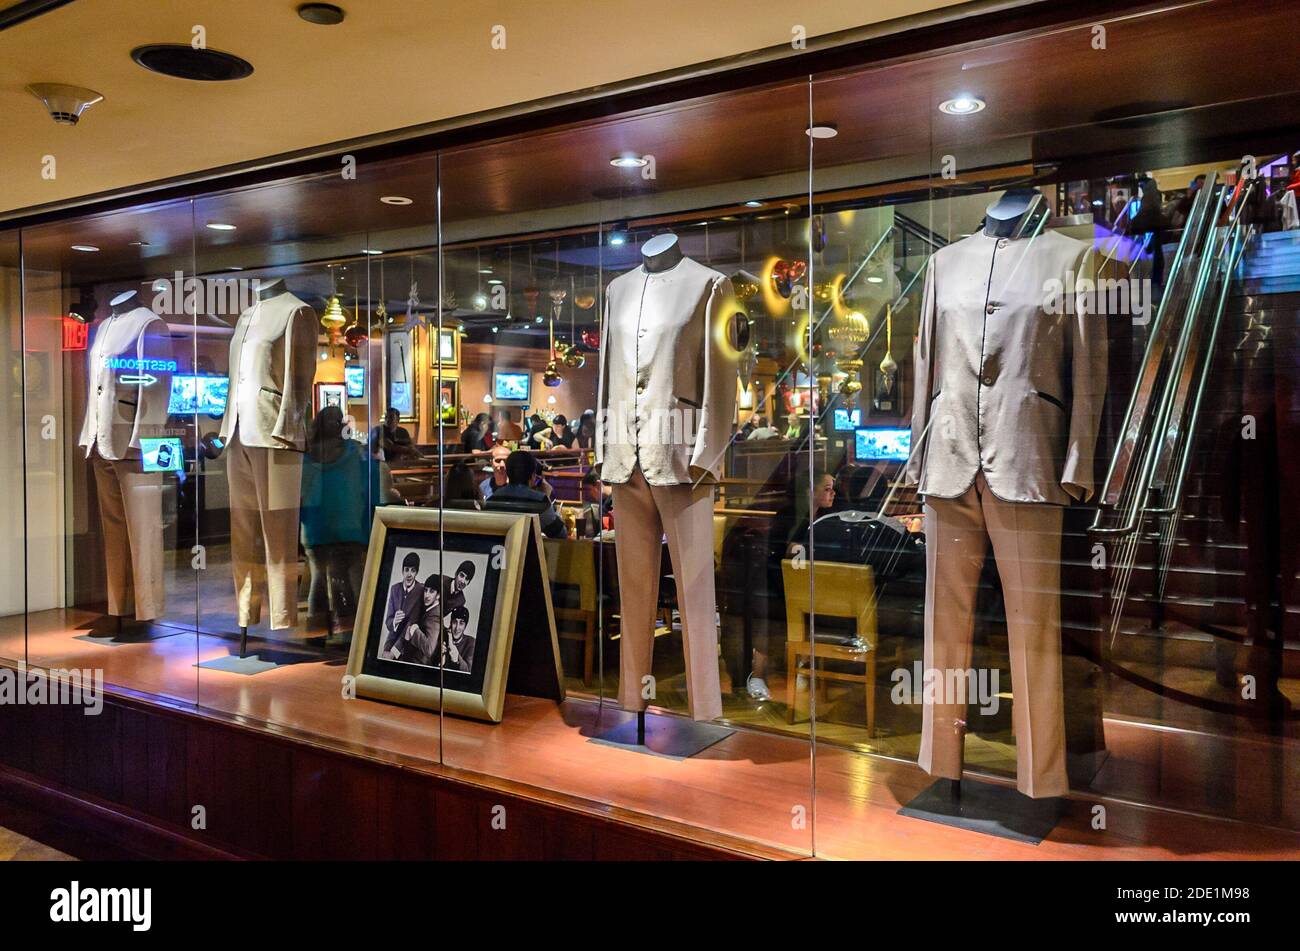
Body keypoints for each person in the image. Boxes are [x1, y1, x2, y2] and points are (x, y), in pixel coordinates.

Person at [300, 405, 382, 638]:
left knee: (318, 578)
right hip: (348, 525)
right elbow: (370, 488)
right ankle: (347, 635)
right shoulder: (355, 453)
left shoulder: (307, 457)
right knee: (342, 578)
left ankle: (315, 632)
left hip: (315, 528)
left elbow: (301, 493)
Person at [484, 450, 568, 538]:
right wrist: (546, 497)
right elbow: (561, 534)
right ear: (532, 476)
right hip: (528, 551)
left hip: (499, 550)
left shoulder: (493, 499)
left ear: (508, 473)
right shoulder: (539, 501)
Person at [394, 574, 447, 665]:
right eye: (426, 590)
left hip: (419, 663)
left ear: (438, 595)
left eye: (432, 591)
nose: (427, 595)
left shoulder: (435, 616)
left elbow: (429, 649)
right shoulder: (430, 610)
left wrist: (414, 629)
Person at [383, 551, 425, 658]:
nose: (409, 574)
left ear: (417, 572)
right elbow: (388, 622)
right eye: (407, 570)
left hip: (408, 644)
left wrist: (394, 652)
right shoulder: (394, 589)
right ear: (402, 571)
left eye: (413, 570)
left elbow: (412, 624)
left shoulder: (421, 591)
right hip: (391, 642)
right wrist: (394, 622)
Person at [441, 605, 475, 672]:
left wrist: (457, 658)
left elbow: (468, 670)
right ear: (450, 623)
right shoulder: (444, 636)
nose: (457, 628)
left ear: (465, 626)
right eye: (454, 622)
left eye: (461, 623)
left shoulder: (471, 643)